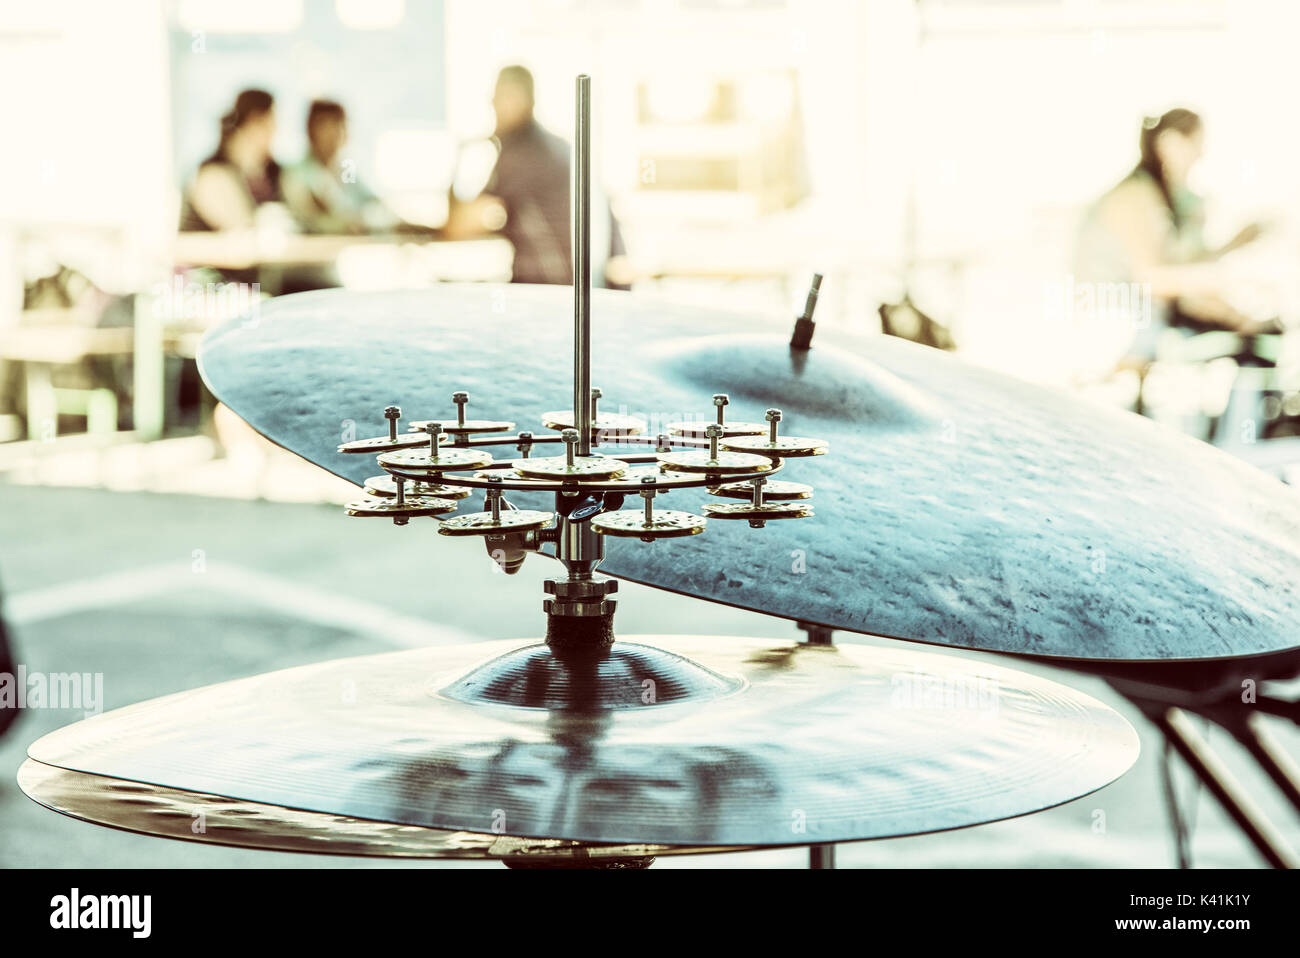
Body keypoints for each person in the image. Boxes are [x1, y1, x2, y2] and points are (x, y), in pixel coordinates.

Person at [1075, 108, 1272, 364]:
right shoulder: (1134, 195)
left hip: (1143, 326)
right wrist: (1228, 280)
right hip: (1114, 334)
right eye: (1196, 144)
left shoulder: (1160, 196)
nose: (1201, 155)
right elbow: (1153, 279)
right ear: (1167, 142)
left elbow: (1180, 270)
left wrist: (1236, 245)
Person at [446, 65, 630, 287]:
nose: (494, 105)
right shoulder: (551, 146)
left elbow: (457, 227)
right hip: (585, 289)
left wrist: (460, 153)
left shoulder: (524, 155)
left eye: (502, 98)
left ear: (524, 100)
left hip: (553, 290)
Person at [281, 99, 402, 235]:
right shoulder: (298, 173)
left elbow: (372, 201)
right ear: (310, 129)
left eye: (339, 124)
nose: (334, 132)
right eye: (325, 125)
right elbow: (312, 220)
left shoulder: (345, 169)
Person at [180, 89, 282, 232]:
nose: (275, 133)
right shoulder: (213, 175)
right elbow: (242, 230)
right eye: (270, 124)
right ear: (253, 124)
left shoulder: (265, 173)